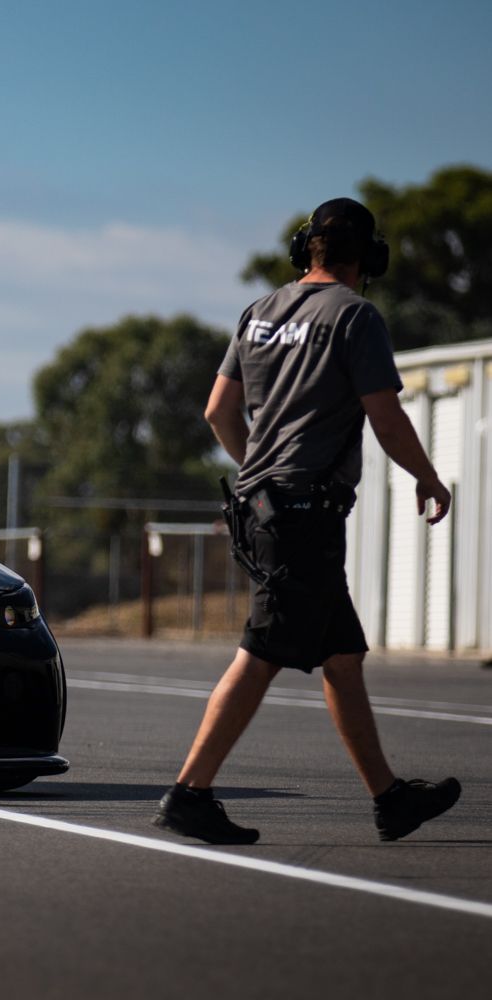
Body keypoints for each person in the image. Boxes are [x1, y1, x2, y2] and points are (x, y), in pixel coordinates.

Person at [152, 197, 461, 845]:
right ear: (368, 259)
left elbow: (218, 412)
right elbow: (385, 416)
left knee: (342, 657)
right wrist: (428, 477)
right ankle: (189, 793)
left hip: (263, 508)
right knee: (262, 652)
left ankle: (391, 799)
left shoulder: (260, 312)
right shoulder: (355, 315)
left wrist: (259, 471)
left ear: (304, 251)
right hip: (304, 514)